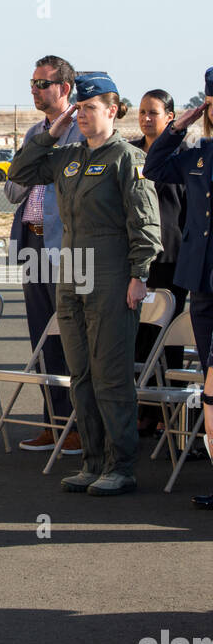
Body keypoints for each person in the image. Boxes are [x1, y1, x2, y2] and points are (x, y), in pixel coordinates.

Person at [8, 73, 162, 495]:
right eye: (79, 108)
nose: (84, 115)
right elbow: (21, 172)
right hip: (71, 272)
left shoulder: (126, 159)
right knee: (81, 375)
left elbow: (145, 222)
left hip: (111, 272)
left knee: (110, 375)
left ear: (112, 110)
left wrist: (139, 276)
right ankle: (93, 463)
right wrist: (51, 133)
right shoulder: (68, 155)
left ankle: (121, 466)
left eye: (91, 108)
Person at [3, 55, 83, 454]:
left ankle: (80, 426)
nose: (33, 90)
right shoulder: (36, 131)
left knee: (72, 337)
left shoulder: (81, 129)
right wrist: (33, 155)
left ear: (64, 88)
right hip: (32, 241)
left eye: (42, 84)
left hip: (67, 247)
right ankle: (53, 421)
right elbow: (13, 188)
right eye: (32, 83)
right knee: (42, 337)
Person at [143, 69, 213, 507]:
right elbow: (154, 167)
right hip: (201, 280)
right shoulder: (200, 151)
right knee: (210, 386)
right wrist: (177, 127)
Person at [130, 90, 187, 434]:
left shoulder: (181, 155)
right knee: (142, 334)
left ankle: (173, 416)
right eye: (142, 112)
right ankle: (147, 411)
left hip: (172, 255)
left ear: (170, 116)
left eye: (153, 113)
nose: (146, 118)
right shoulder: (132, 151)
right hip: (140, 256)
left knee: (170, 336)